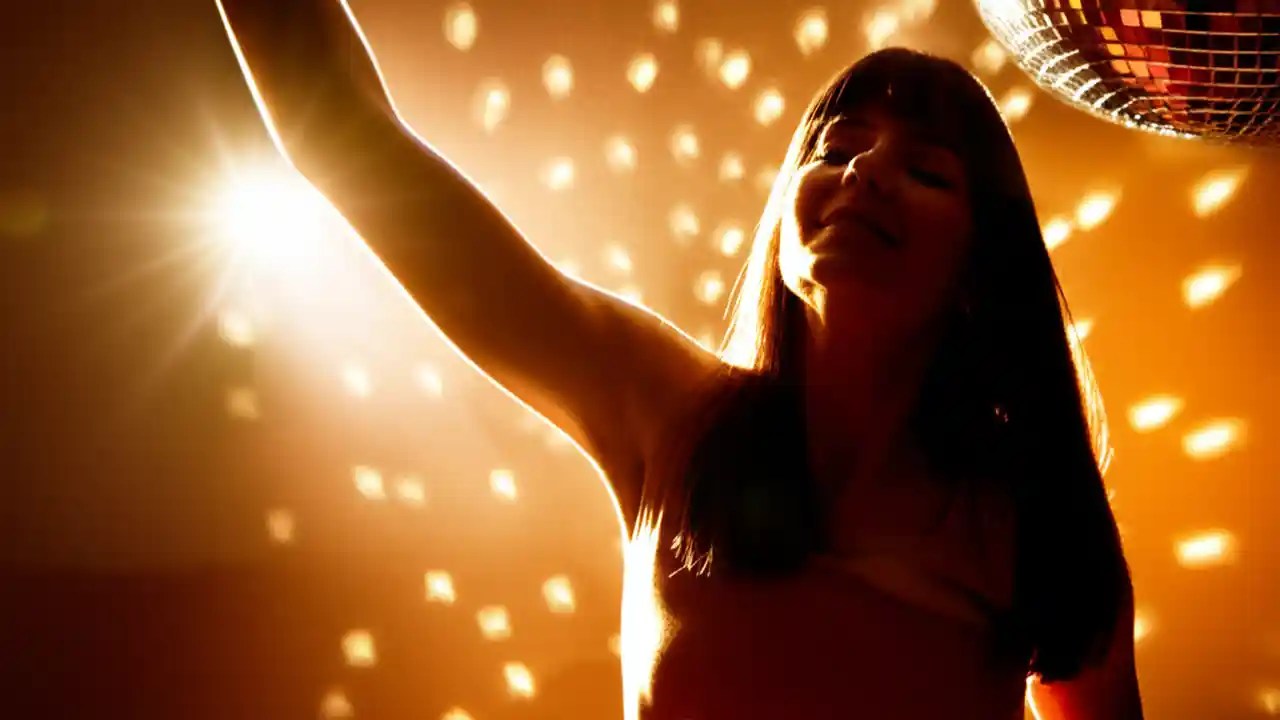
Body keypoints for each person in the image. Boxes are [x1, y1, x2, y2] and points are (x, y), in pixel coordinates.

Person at [215, 1, 1143, 718]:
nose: (864, 172)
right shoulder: (670, 413)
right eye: (838, 148)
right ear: (783, 222)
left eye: (927, 169)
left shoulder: (1036, 518)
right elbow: (343, 135)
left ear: (982, 267)